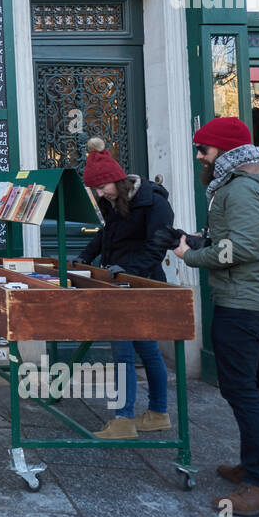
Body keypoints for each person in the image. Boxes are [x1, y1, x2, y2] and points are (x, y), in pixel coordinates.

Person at [174, 116, 259, 517]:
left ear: (223, 152)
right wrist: (198, 239)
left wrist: (189, 255)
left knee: (243, 390)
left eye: (204, 150)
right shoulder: (254, 180)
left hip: (245, 302)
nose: (198, 156)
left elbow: (239, 249)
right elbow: (238, 240)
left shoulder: (241, 187)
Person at [74, 138, 174, 439]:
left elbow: (158, 246)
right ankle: (157, 413)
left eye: (101, 188)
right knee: (146, 349)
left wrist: (129, 271)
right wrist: (86, 256)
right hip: (120, 282)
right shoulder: (114, 201)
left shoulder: (154, 201)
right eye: (95, 190)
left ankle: (125, 418)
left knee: (126, 352)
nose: (99, 194)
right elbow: (108, 235)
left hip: (141, 284)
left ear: (115, 180)